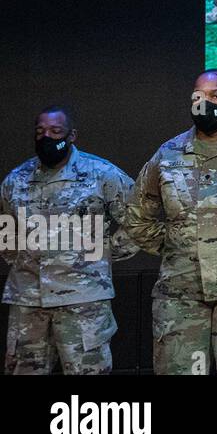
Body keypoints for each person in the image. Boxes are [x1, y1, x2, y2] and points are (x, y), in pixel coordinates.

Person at [123, 69, 217, 375]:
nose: (205, 103)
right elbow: (138, 216)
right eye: (198, 97)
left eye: (216, 97)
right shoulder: (167, 155)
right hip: (180, 297)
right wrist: (177, 246)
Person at [2, 107, 137, 375]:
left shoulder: (102, 174)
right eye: (40, 132)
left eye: (55, 131)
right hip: (28, 300)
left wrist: (104, 253)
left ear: (72, 135)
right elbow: (6, 230)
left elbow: (139, 219)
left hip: (83, 300)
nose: (47, 137)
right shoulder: (16, 180)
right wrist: (23, 259)